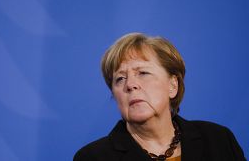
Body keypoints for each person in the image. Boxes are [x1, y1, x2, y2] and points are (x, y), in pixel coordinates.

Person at [73, 33, 246, 161]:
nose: (130, 84)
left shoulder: (218, 140)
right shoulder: (92, 157)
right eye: (120, 78)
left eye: (143, 73)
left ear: (172, 86)